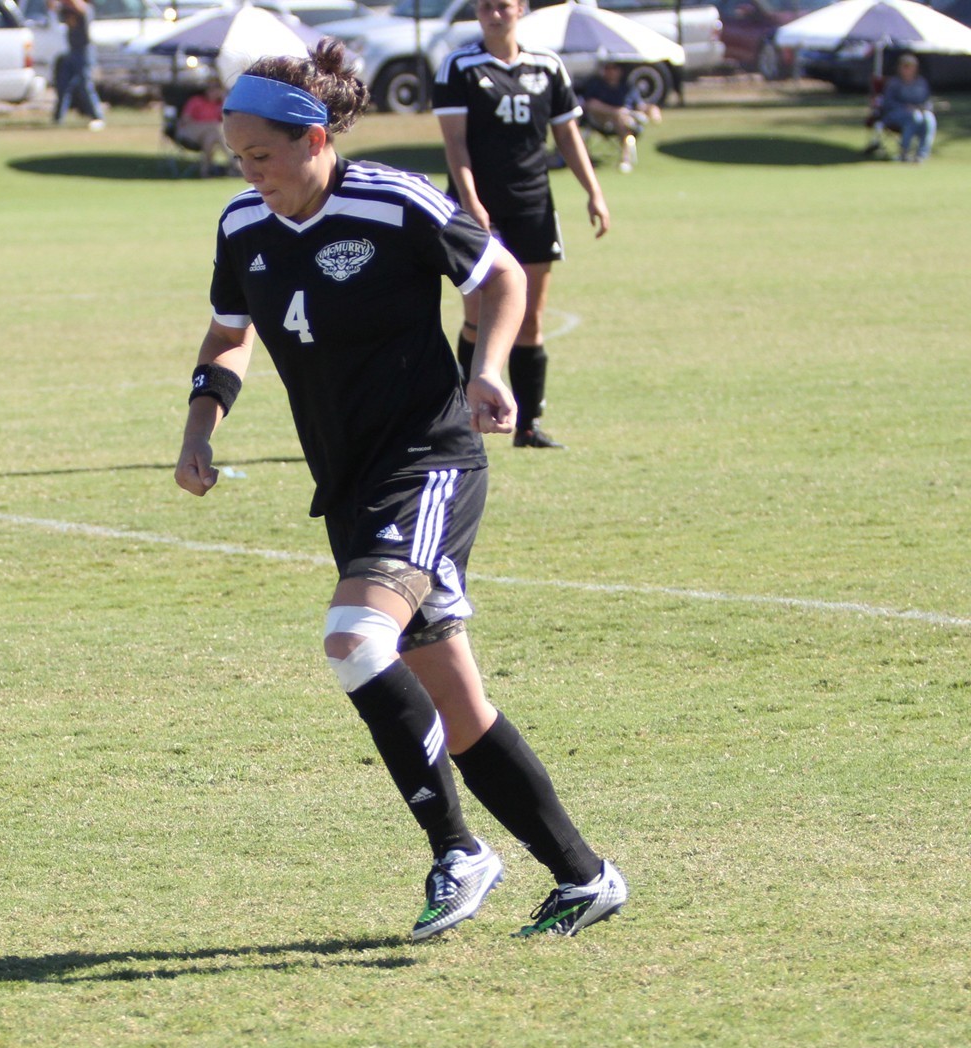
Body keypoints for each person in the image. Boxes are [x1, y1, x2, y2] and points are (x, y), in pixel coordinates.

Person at [175, 41, 627, 941]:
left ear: (313, 140)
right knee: (456, 707)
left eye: (261, 156)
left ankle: (459, 851)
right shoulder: (241, 226)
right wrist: (198, 429)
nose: (249, 174)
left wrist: (490, 369)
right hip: (347, 484)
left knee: (353, 638)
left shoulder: (393, 200)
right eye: (237, 159)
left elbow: (497, 274)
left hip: (428, 462)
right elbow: (230, 335)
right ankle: (585, 876)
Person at [433, 0, 611, 450]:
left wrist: (594, 191)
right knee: (477, 315)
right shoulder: (460, 66)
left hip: (532, 204)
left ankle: (527, 425)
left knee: (530, 316)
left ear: (521, 10)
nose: (496, 14)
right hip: (478, 208)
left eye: (505, 6)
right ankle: (464, 419)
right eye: (488, 6)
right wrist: (470, 199)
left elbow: (567, 134)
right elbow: (455, 143)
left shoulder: (547, 66)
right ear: (477, 10)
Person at [578, 60, 660, 174]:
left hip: (623, 123)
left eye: (614, 69)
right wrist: (615, 111)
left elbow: (640, 106)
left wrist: (652, 110)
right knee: (618, 115)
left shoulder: (627, 88)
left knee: (622, 120)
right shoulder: (596, 85)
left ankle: (625, 159)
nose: (610, 72)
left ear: (620, 71)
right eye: (607, 68)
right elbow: (590, 104)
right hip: (599, 121)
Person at [52, 0, 105, 131]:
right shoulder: (68, 10)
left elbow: (79, 7)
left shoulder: (86, 8)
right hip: (70, 51)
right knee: (63, 85)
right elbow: (53, 7)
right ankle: (58, 118)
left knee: (84, 84)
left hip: (83, 51)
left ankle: (97, 116)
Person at [881, 53, 936, 163]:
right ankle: (904, 152)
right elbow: (887, 102)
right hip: (896, 114)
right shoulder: (894, 83)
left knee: (929, 118)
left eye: (910, 66)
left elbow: (927, 101)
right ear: (899, 68)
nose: (908, 69)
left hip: (920, 113)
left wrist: (924, 107)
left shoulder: (921, 82)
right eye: (905, 66)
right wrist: (905, 107)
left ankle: (921, 154)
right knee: (914, 117)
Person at [175, 75, 227, 178]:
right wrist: (206, 125)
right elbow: (185, 120)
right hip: (188, 132)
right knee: (214, 126)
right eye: (211, 88)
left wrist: (224, 99)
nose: (213, 91)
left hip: (210, 134)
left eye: (217, 88)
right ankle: (235, 164)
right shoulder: (196, 101)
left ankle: (205, 172)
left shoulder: (220, 105)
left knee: (211, 137)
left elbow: (227, 120)